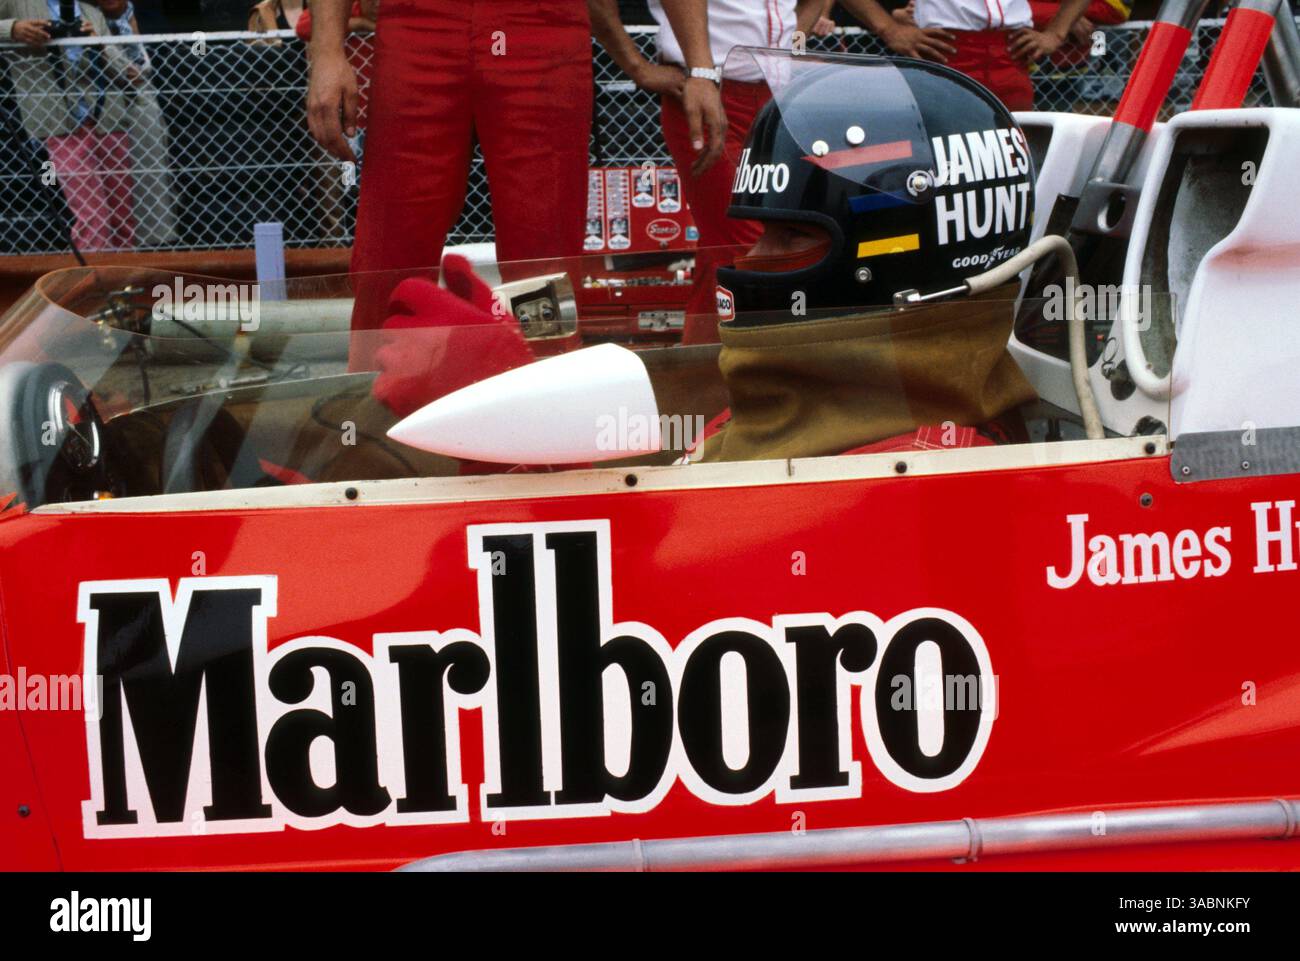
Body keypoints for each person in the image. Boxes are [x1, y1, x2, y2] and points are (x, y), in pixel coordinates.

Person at [306, 0, 725, 369]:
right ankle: (374, 417)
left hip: (539, 27)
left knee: (543, 257)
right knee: (391, 248)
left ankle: (541, 416)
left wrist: (701, 68)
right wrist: (326, 50)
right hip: (421, 24)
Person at [694, 50, 1038, 462]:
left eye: (793, 235)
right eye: (763, 231)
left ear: (897, 254)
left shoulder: (922, 470)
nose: (752, 257)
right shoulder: (782, 406)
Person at [0, 0, 138, 250]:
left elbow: (129, 75)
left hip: (108, 119)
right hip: (59, 124)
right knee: (94, 219)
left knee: (123, 218)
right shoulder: (15, 3)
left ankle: (125, 283)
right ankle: (92, 285)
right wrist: (12, 29)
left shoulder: (90, 10)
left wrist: (98, 42)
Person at [877, 0, 1093, 109]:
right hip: (945, 51)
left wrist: (1055, 33)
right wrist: (889, 28)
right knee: (944, 162)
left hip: (1012, 54)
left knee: (1013, 163)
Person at [90, 0, 178, 246]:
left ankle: (158, 244)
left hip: (151, 100)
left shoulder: (148, 15)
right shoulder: (85, 16)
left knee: (154, 178)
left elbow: (168, 60)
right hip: (103, 107)